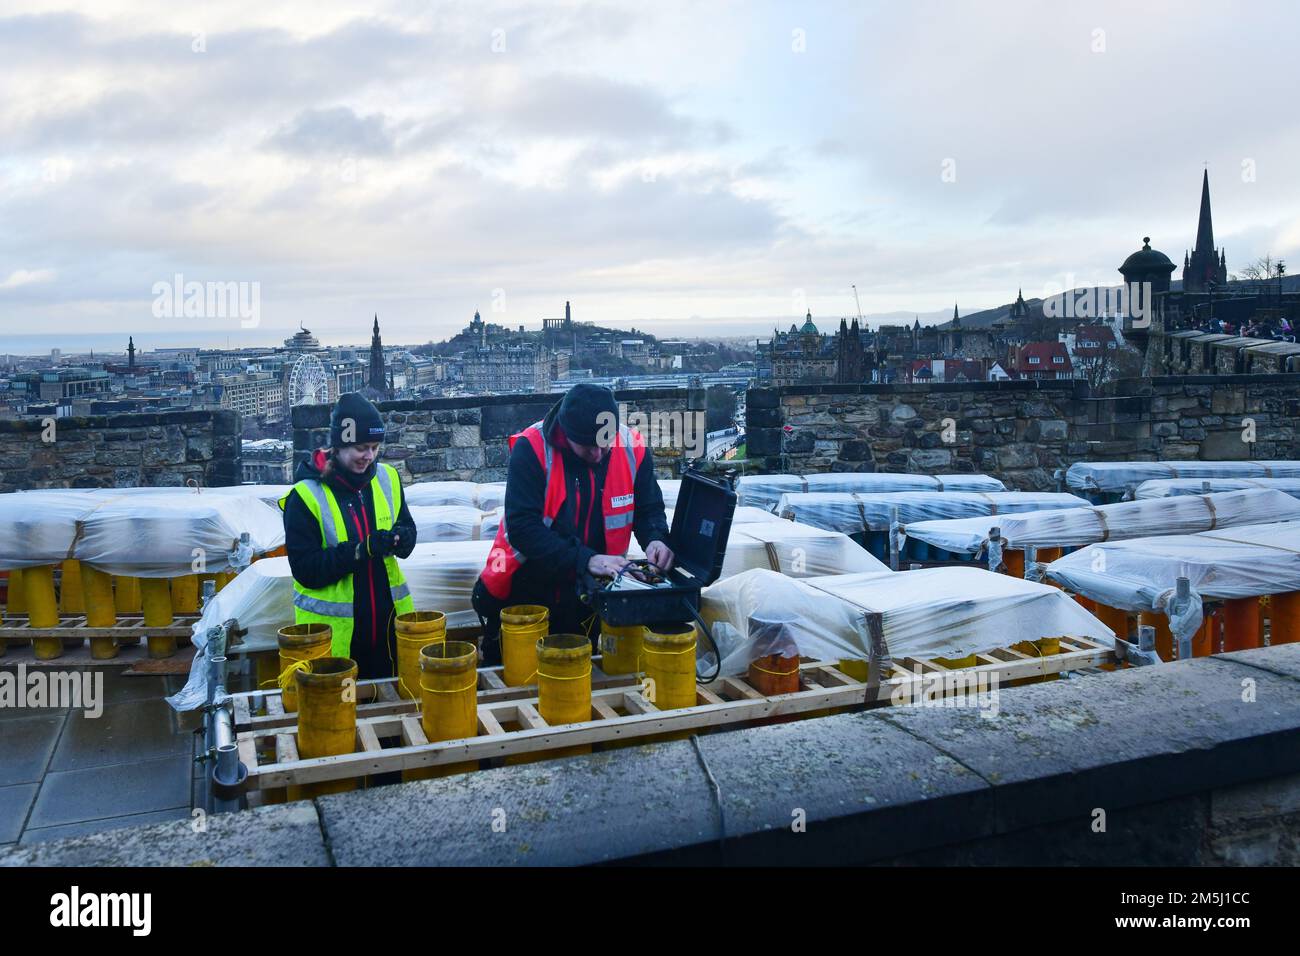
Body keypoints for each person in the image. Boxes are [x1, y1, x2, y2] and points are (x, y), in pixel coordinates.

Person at [472, 384, 673, 664]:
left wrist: (656, 538)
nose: (599, 455)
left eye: (605, 444)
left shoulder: (632, 448)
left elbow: (648, 507)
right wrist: (587, 559)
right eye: (589, 448)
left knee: (574, 674)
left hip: (587, 595)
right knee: (519, 675)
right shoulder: (532, 449)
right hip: (526, 590)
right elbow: (522, 528)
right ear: (567, 435)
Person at [280, 392, 417, 679]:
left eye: (375, 447)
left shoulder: (388, 478)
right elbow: (306, 570)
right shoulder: (305, 496)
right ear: (339, 446)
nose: (369, 457)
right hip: (336, 642)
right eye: (361, 448)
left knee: (391, 709)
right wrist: (360, 550)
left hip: (389, 633)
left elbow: (407, 525)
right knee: (341, 718)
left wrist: (403, 539)